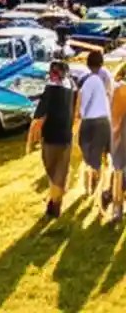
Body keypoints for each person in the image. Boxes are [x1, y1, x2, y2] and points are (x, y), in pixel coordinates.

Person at [28, 60, 77, 217]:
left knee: (52, 171)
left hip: (51, 137)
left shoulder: (50, 89)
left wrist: (30, 142)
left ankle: (54, 204)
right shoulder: (72, 87)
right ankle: (55, 202)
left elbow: (38, 117)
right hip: (66, 136)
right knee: (61, 172)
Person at [79, 51, 114, 197]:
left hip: (90, 120)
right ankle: (97, 176)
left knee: (89, 150)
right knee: (101, 152)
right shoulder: (106, 76)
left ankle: (94, 178)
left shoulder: (86, 78)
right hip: (103, 119)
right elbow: (110, 96)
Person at [107, 66, 126, 223]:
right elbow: (116, 119)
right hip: (123, 138)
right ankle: (117, 205)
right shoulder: (122, 88)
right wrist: (115, 138)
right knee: (119, 170)